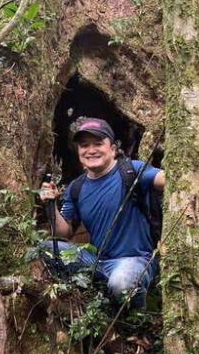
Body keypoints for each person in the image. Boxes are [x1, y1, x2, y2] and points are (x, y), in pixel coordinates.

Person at [40, 118, 165, 309]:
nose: (91, 150)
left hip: (135, 260)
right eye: (84, 145)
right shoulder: (76, 188)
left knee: (121, 284)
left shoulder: (132, 170)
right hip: (97, 262)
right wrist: (50, 205)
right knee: (44, 249)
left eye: (98, 144)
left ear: (113, 149)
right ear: (78, 151)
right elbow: (64, 233)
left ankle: (134, 319)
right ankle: (93, 297)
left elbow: (165, 179)